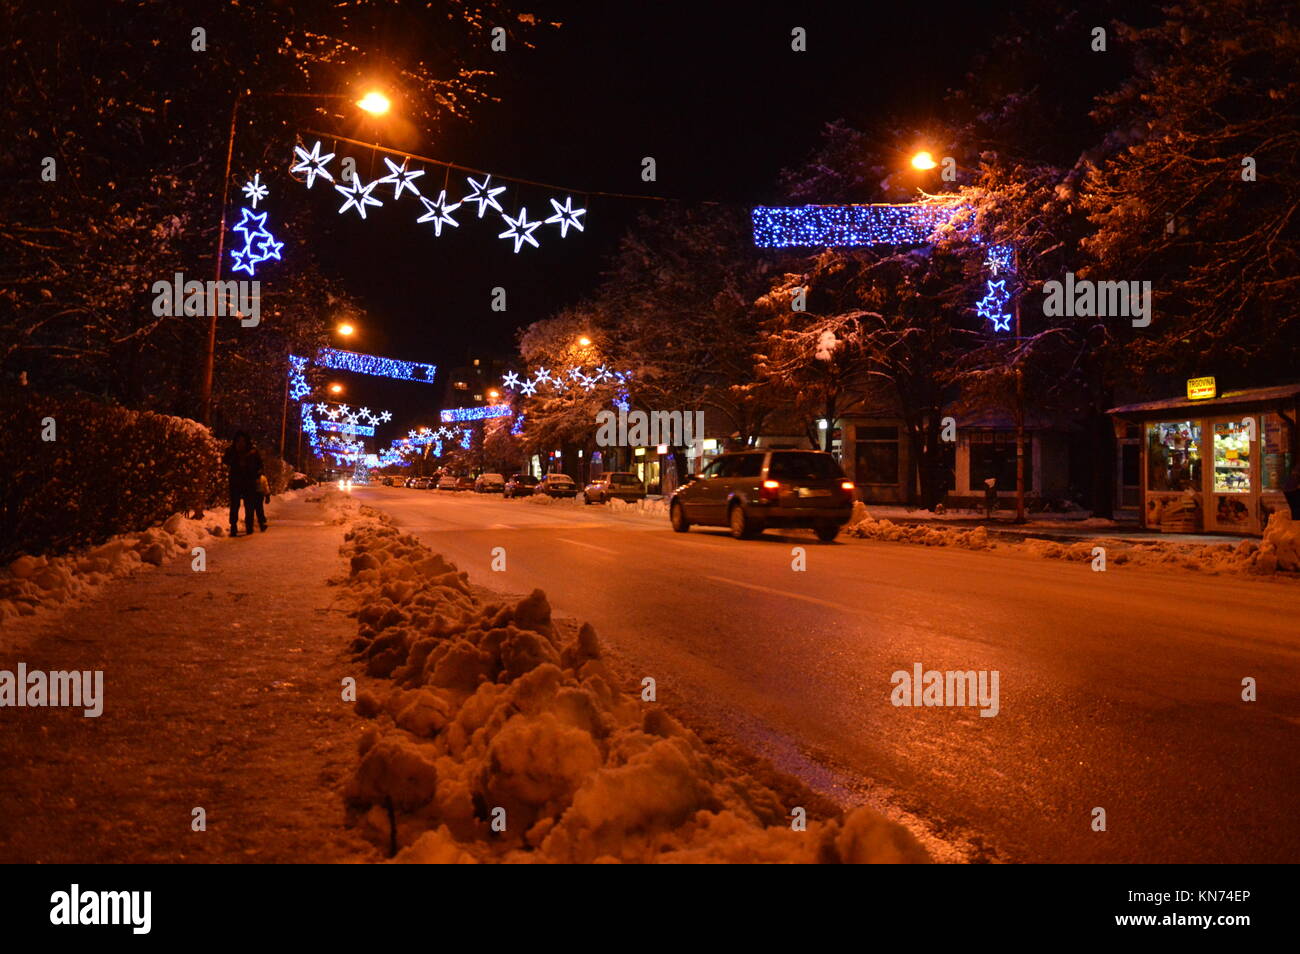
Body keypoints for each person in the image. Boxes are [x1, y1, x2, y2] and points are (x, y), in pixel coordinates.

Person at [222, 431, 263, 536]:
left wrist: (256, 475)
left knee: (249, 506)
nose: (241, 443)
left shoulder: (253, 452)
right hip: (235, 482)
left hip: (249, 482)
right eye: (238, 441)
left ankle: (249, 526)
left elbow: (260, 465)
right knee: (234, 505)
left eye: (243, 441)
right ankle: (233, 526)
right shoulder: (231, 451)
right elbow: (225, 461)